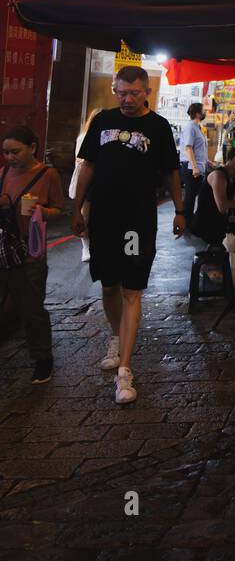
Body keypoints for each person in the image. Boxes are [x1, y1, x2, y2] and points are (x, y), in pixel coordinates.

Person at [71, 65, 183, 406]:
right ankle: (117, 338)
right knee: (108, 283)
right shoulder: (102, 121)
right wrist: (77, 209)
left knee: (131, 288)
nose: (127, 99)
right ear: (115, 90)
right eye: (121, 92)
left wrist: (180, 209)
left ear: (147, 91)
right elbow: (86, 166)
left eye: (134, 93)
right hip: (103, 215)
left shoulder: (158, 127)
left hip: (137, 219)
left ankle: (125, 370)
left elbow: (171, 170)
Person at [0, 126, 65, 383]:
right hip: (5, 249)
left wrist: (40, 210)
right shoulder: (3, 173)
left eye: (15, 151)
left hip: (30, 251)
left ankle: (42, 359)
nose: (10, 157)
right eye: (6, 152)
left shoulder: (48, 175)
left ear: (33, 148)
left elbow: (59, 209)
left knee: (32, 308)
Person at [69, 109, 99, 263]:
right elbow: (81, 162)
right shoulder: (84, 137)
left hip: (99, 181)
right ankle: (86, 247)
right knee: (85, 215)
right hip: (87, 181)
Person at [179, 102, 211, 226]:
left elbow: (198, 149)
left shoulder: (197, 127)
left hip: (198, 166)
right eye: (203, 111)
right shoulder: (190, 127)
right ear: (198, 113)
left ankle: (191, 219)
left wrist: (208, 161)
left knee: (194, 195)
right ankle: (187, 222)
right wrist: (194, 167)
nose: (205, 113)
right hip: (191, 167)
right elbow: (188, 148)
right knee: (190, 196)